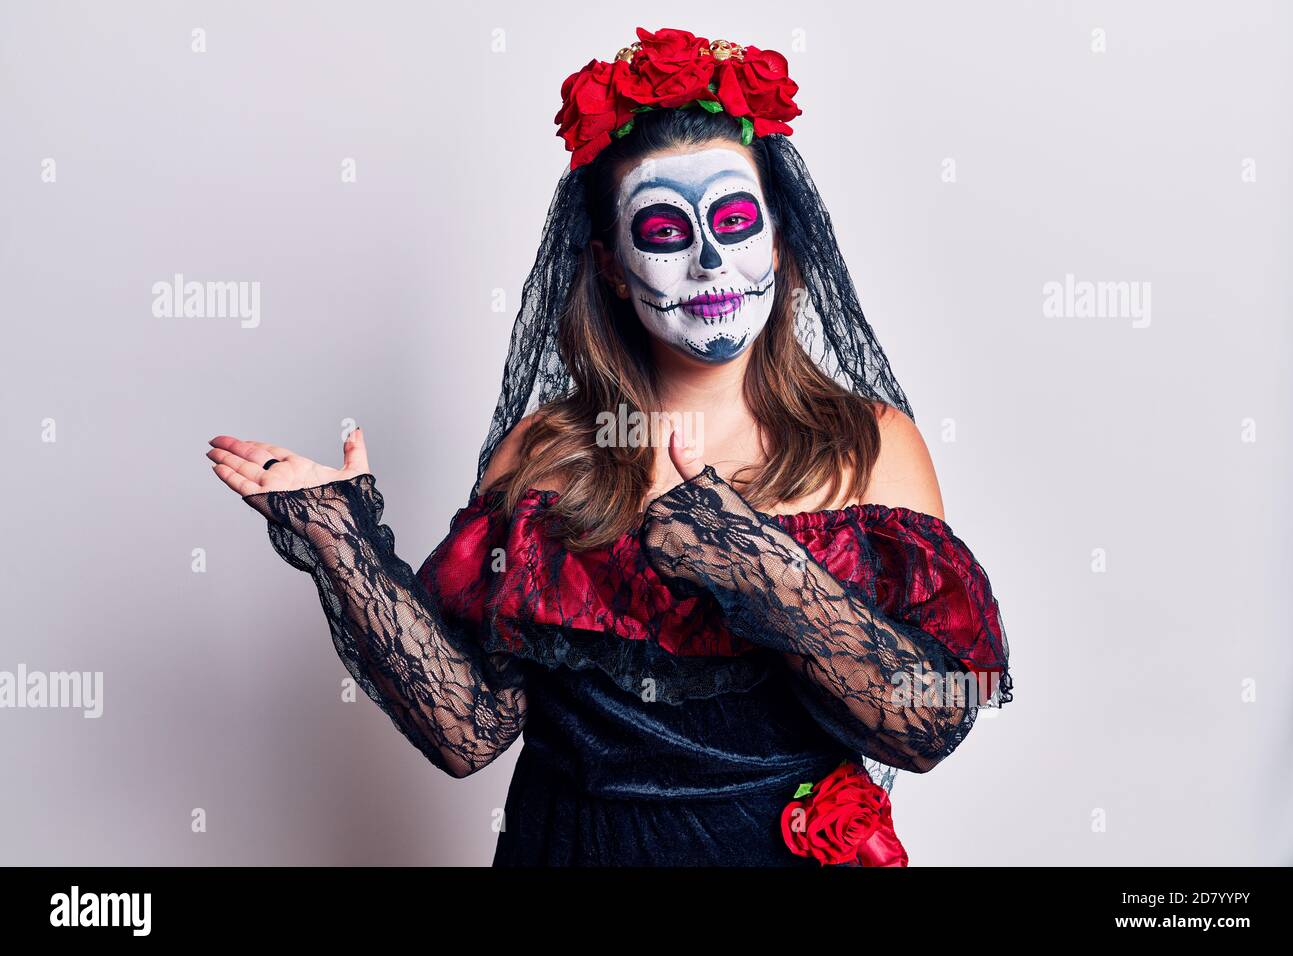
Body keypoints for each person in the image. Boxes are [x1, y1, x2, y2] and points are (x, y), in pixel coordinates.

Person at [207, 27, 1012, 867]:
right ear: (614, 268)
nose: (710, 260)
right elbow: (471, 733)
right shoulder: (545, 451)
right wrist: (339, 540)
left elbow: (930, 723)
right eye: (664, 230)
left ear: (776, 240)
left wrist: (746, 562)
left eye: (735, 221)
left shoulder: (870, 446)